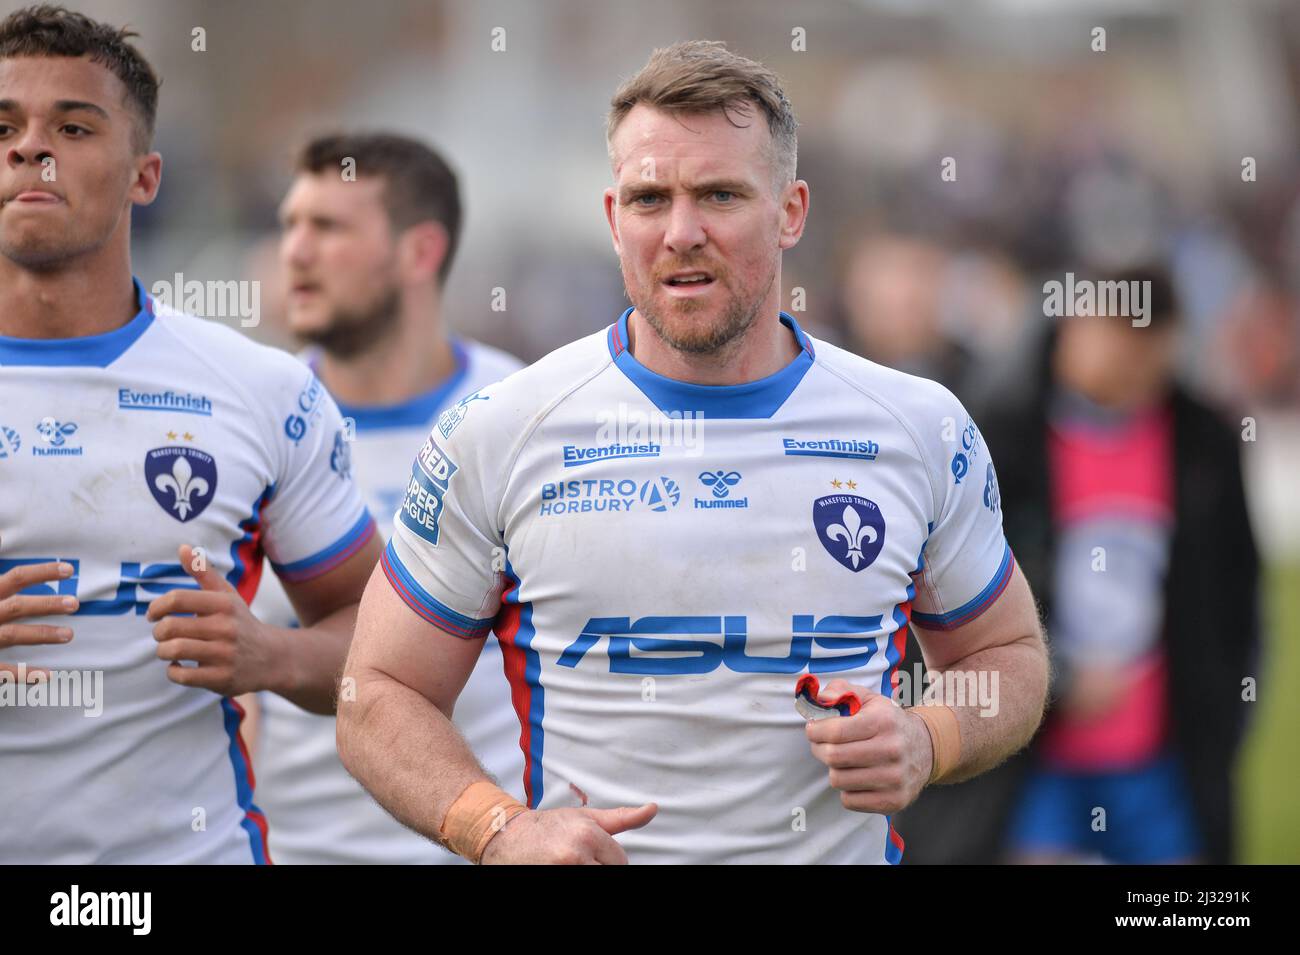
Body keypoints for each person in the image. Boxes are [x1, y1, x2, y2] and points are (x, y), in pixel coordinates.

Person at [336, 40, 1050, 864]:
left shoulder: (917, 425)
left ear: (790, 212)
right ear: (613, 219)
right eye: (649, 198)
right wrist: (497, 827)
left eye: (719, 194)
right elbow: (376, 693)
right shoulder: (503, 430)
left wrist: (931, 736)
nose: (681, 233)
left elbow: (1008, 657)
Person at [0, 5, 379, 863]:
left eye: (72, 124)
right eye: (3, 125)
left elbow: (382, 643)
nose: (29, 147)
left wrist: (273, 655)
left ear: (145, 176)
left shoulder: (260, 391)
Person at [895, 266, 1260, 864]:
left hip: (1161, 759)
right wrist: (1059, 678)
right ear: (1077, 327)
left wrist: (1230, 714)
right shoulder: (992, 434)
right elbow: (943, 603)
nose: (1135, 373)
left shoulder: (1202, 443)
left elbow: (1236, 594)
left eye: (1151, 356)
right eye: (1121, 349)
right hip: (1033, 764)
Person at [248, 133, 524, 864]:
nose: (295, 252)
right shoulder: (251, 421)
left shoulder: (525, 417)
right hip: (293, 852)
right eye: (290, 225)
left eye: (329, 227)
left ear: (420, 253)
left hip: (481, 847)